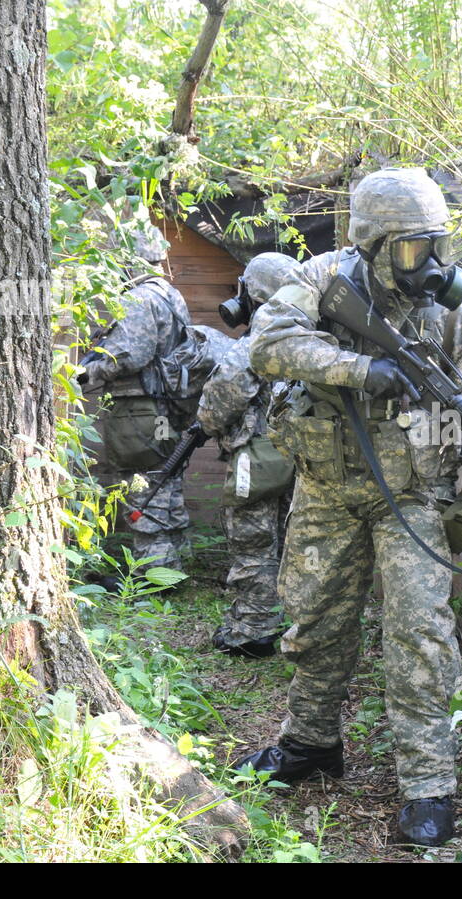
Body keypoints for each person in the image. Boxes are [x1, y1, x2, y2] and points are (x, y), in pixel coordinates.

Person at [235, 168, 462, 847]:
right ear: (371, 245)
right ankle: (308, 743)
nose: (429, 264)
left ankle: (429, 783)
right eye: (410, 250)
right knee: (313, 618)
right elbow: (268, 345)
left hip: (413, 498)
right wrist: (361, 370)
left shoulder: (450, 310)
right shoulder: (319, 278)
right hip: (327, 487)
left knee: (420, 638)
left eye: (435, 246)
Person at [197, 253, 300, 658]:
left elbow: (224, 396)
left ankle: (253, 630)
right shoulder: (311, 334)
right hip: (307, 457)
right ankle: (300, 628)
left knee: (254, 542)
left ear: (254, 293)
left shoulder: (261, 334)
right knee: (297, 543)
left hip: (257, 458)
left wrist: (207, 423)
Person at [79, 213, 193, 572]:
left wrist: (80, 375)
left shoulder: (140, 298)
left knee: (143, 487)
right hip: (163, 408)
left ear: (126, 258)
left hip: (139, 411)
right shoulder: (170, 295)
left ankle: (154, 574)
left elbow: (127, 354)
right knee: (165, 482)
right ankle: (172, 565)